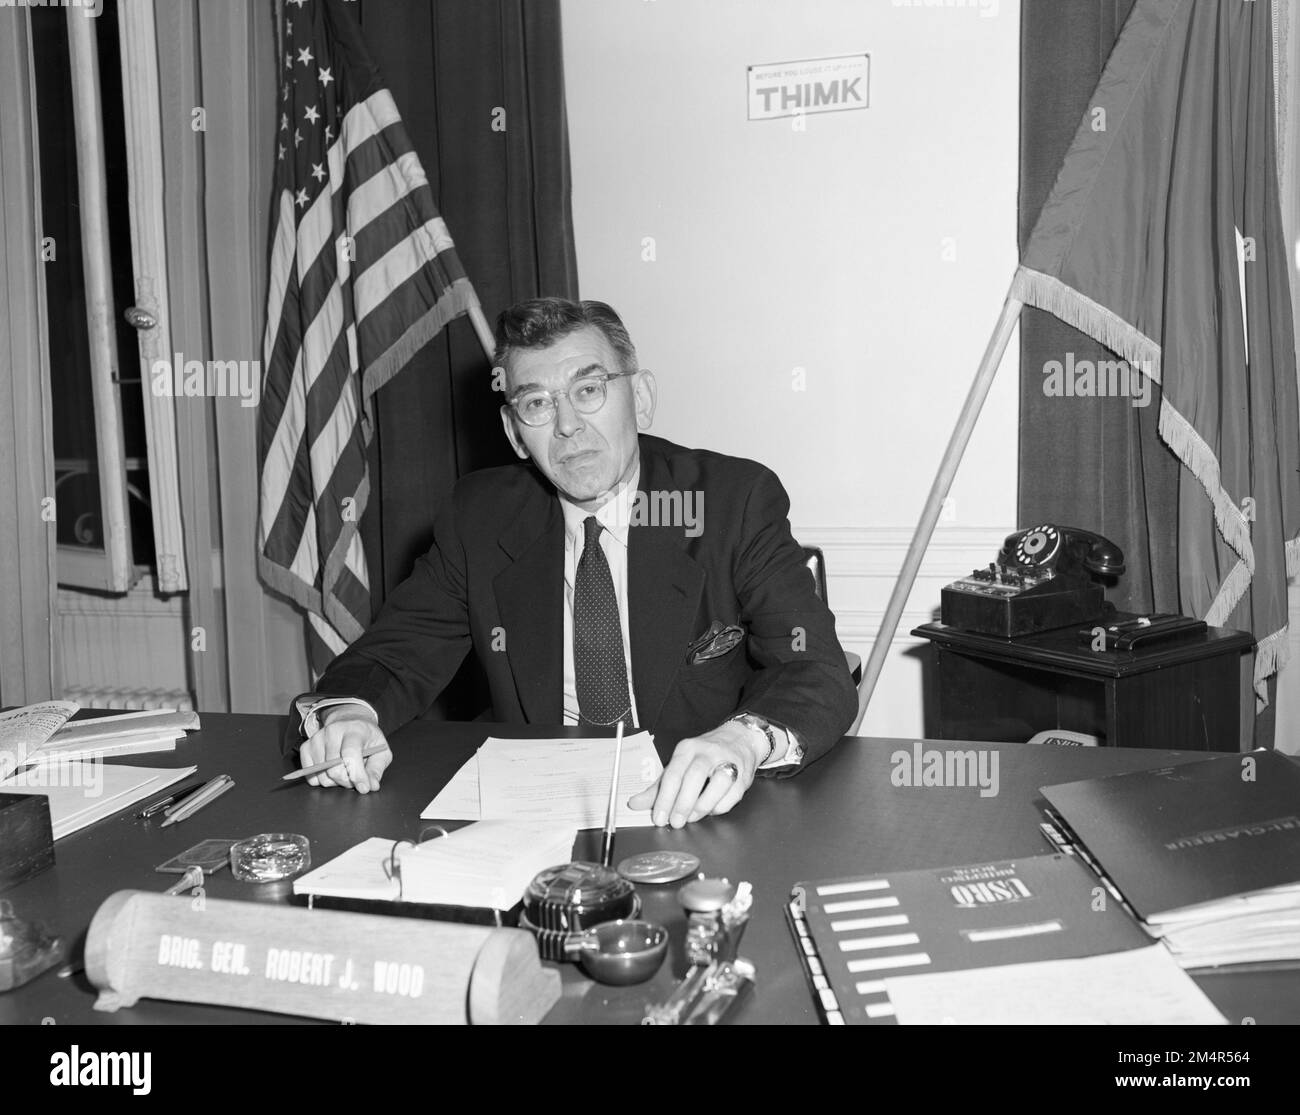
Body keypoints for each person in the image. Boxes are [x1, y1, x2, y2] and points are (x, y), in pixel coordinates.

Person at [286, 298, 857, 827]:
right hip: (534, 817)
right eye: (537, 403)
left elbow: (814, 669)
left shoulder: (733, 501)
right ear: (514, 432)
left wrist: (742, 741)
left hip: (698, 812)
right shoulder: (479, 518)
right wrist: (349, 716)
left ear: (643, 397)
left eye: (589, 390)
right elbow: (395, 655)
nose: (566, 426)